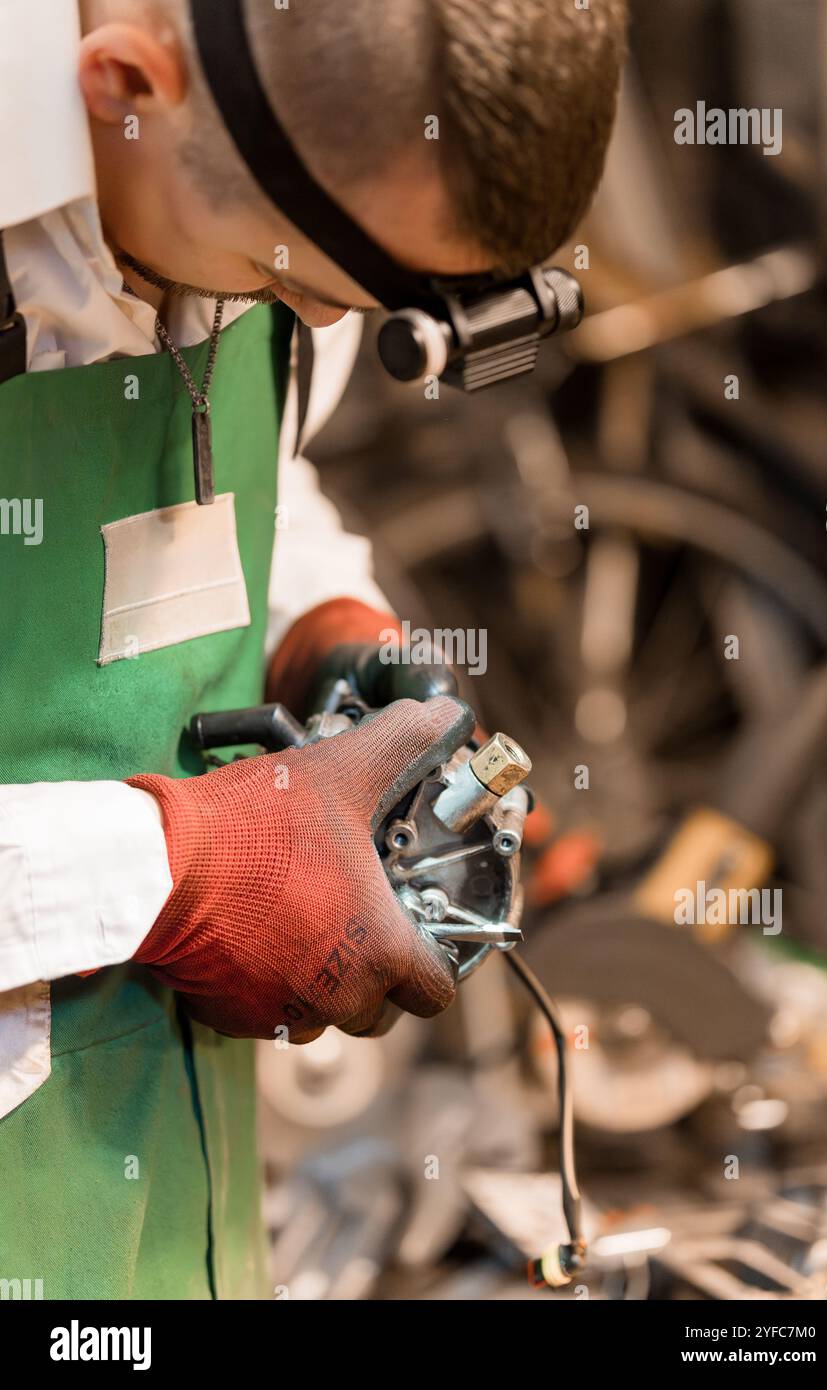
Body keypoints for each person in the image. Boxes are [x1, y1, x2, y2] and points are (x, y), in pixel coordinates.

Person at [0, 0, 627, 1298]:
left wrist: (321, 630)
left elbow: (240, 478)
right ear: (125, 84)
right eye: (292, 289)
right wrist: (169, 867)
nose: (304, 326)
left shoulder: (233, 190)